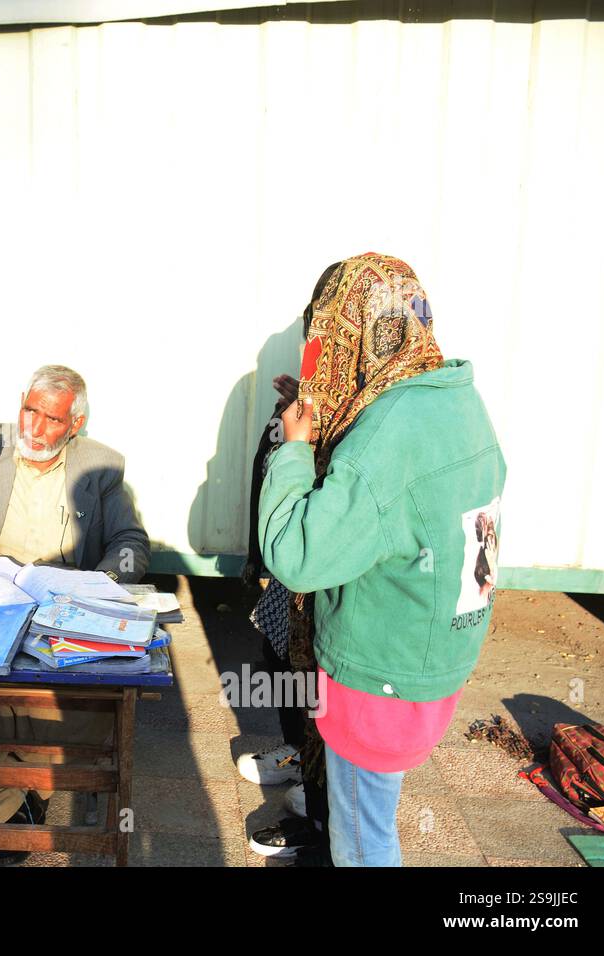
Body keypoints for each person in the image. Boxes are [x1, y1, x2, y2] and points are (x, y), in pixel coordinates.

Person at [258, 253, 506, 866]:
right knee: (374, 815)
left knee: (365, 841)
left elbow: (296, 554)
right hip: (435, 658)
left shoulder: (382, 441)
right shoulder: (453, 396)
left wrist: (293, 452)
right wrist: (335, 418)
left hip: (379, 680)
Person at [0, 364, 150, 863]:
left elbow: (132, 543)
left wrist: (96, 585)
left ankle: (9, 788)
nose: (35, 429)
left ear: (75, 424)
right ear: (20, 402)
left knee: (85, 713)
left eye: (52, 419)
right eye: (29, 411)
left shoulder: (99, 466)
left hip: (55, 607)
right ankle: (11, 809)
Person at [241, 263, 344, 864]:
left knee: (323, 696)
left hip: (328, 585)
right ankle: (301, 767)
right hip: (289, 578)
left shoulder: (383, 413)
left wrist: (305, 440)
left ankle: (322, 815)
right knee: (281, 666)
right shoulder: (322, 396)